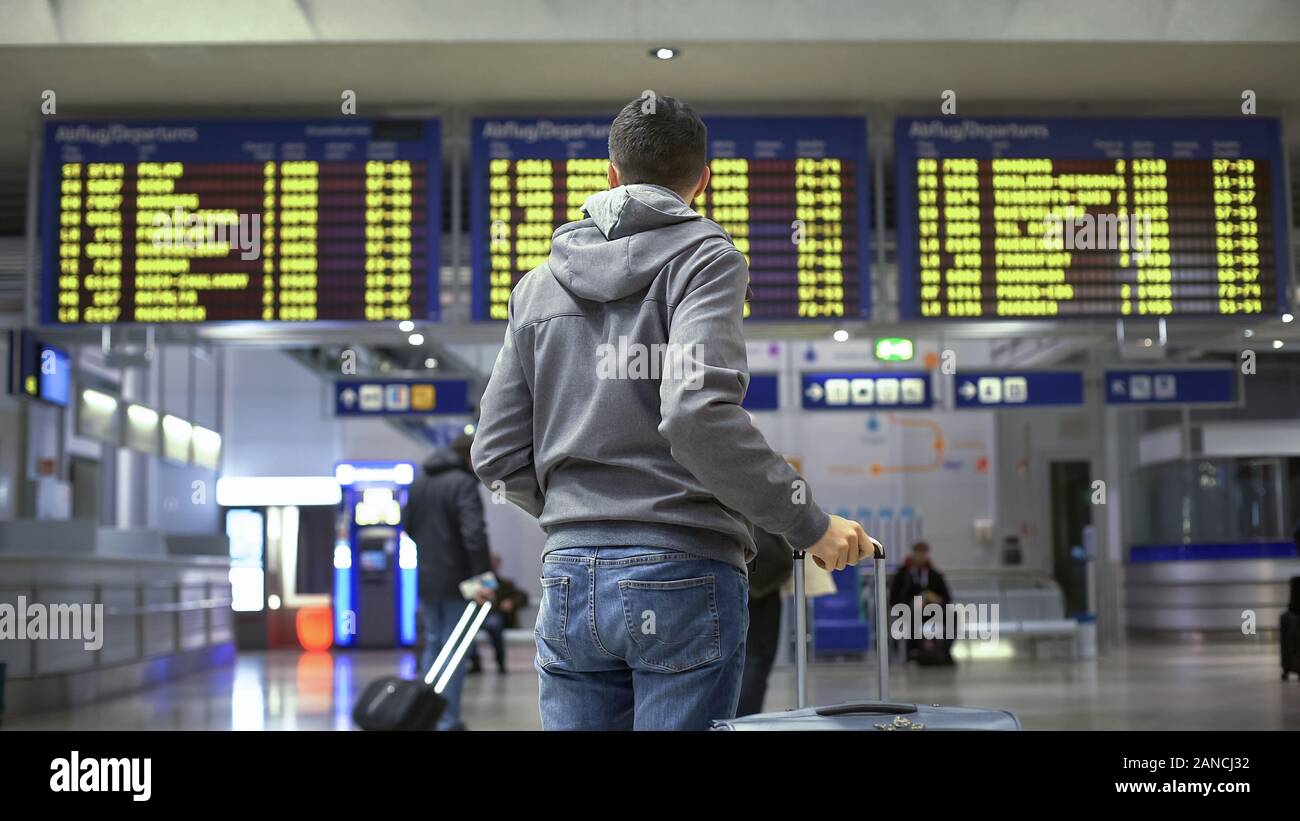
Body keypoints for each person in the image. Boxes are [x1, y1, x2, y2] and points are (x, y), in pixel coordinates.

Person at [471, 95, 872, 730]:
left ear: (610, 175)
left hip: (570, 576)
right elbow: (694, 414)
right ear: (702, 182)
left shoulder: (537, 285)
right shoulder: (706, 260)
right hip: (684, 571)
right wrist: (809, 525)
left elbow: (494, 454)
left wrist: (583, 517)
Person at [401, 434, 493, 731]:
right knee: (455, 650)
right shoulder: (463, 483)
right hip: (460, 581)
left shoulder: (418, 482)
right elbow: (474, 534)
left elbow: (408, 527)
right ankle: (446, 719)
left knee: (433, 645)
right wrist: (482, 578)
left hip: (427, 579)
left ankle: (425, 716)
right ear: (470, 457)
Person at [735, 528, 794, 716]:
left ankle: (736, 720)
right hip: (759, 578)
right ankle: (743, 721)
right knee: (757, 657)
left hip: (731, 568)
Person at [888, 540, 955, 666]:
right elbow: (894, 599)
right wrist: (915, 601)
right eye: (918, 553)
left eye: (923, 553)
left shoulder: (934, 575)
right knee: (914, 613)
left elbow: (947, 598)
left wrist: (935, 599)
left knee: (952, 615)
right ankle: (916, 651)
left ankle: (943, 650)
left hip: (933, 611)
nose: (921, 556)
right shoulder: (903, 574)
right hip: (908, 610)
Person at [468, 554, 528, 675]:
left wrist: (511, 602)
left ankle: (500, 662)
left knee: (494, 624)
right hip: (477, 617)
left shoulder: (505, 584)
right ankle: (475, 662)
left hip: (495, 617)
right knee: (468, 629)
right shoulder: (476, 584)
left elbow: (522, 596)